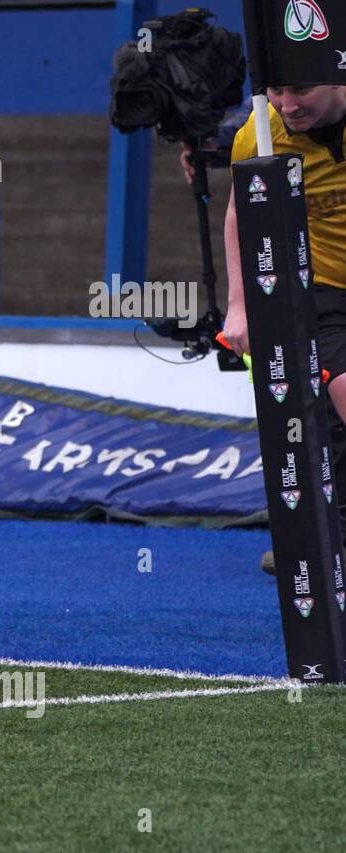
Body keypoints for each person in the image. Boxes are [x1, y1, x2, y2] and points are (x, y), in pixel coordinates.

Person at [221, 86, 346, 574]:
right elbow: (239, 213)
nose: (288, 104)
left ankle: (322, 542)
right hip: (323, 293)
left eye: (301, 91)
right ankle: (314, 543)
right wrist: (239, 306)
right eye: (277, 91)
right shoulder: (259, 132)